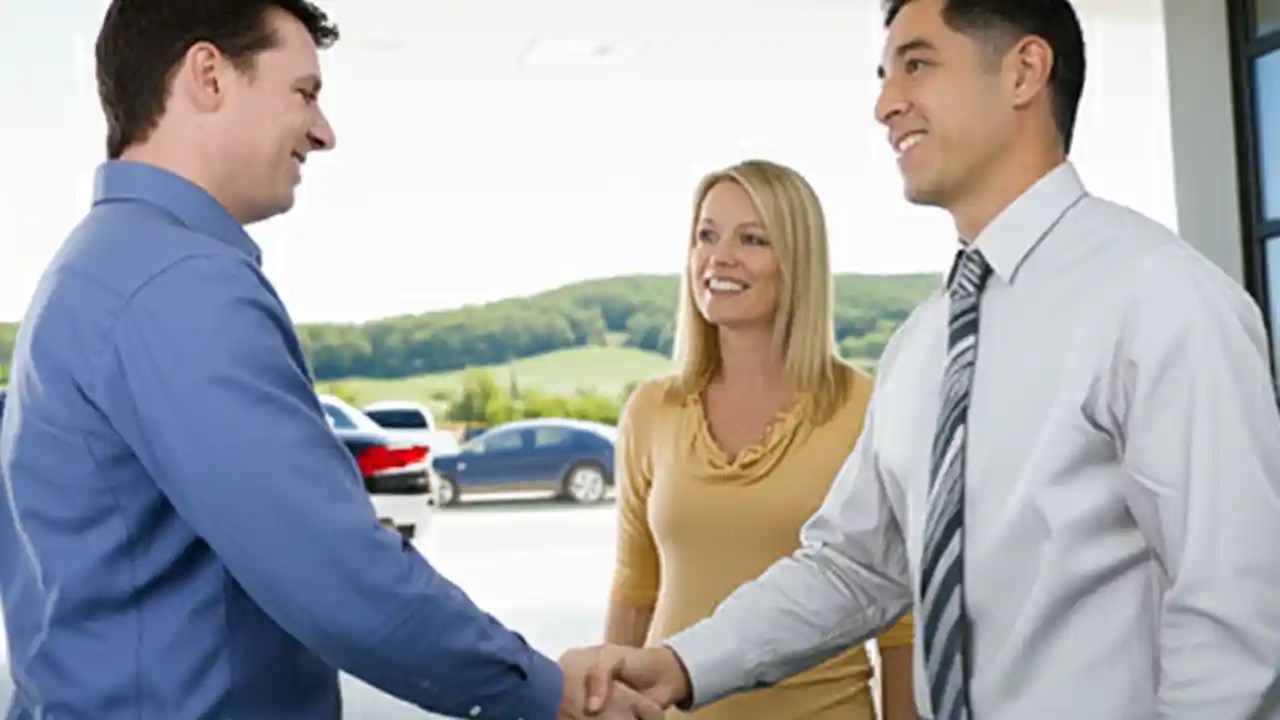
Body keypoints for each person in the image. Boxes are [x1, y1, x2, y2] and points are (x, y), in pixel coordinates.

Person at [563, 0, 1280, 718]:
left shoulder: (1162, 301)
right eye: (884, 75)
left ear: (1025, 71)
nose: (884, 105)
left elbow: (1233, 606)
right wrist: (679, 664)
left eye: (917, 64)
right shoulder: (923, 346)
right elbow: (854, 568)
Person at [0, 2, 659, 718]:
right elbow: (338, 576)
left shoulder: (94, 267)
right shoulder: (180, 284)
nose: (324, 132)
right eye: (304, 92)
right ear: (209, 75)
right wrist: (548, 693)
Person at [606, 159, 916, 720]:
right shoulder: (653, 409)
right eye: (706, 235)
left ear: (797, 263)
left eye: (752, 239)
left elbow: (900, 622)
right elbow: (635, 588)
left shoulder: (865, 408)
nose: (719, 257)